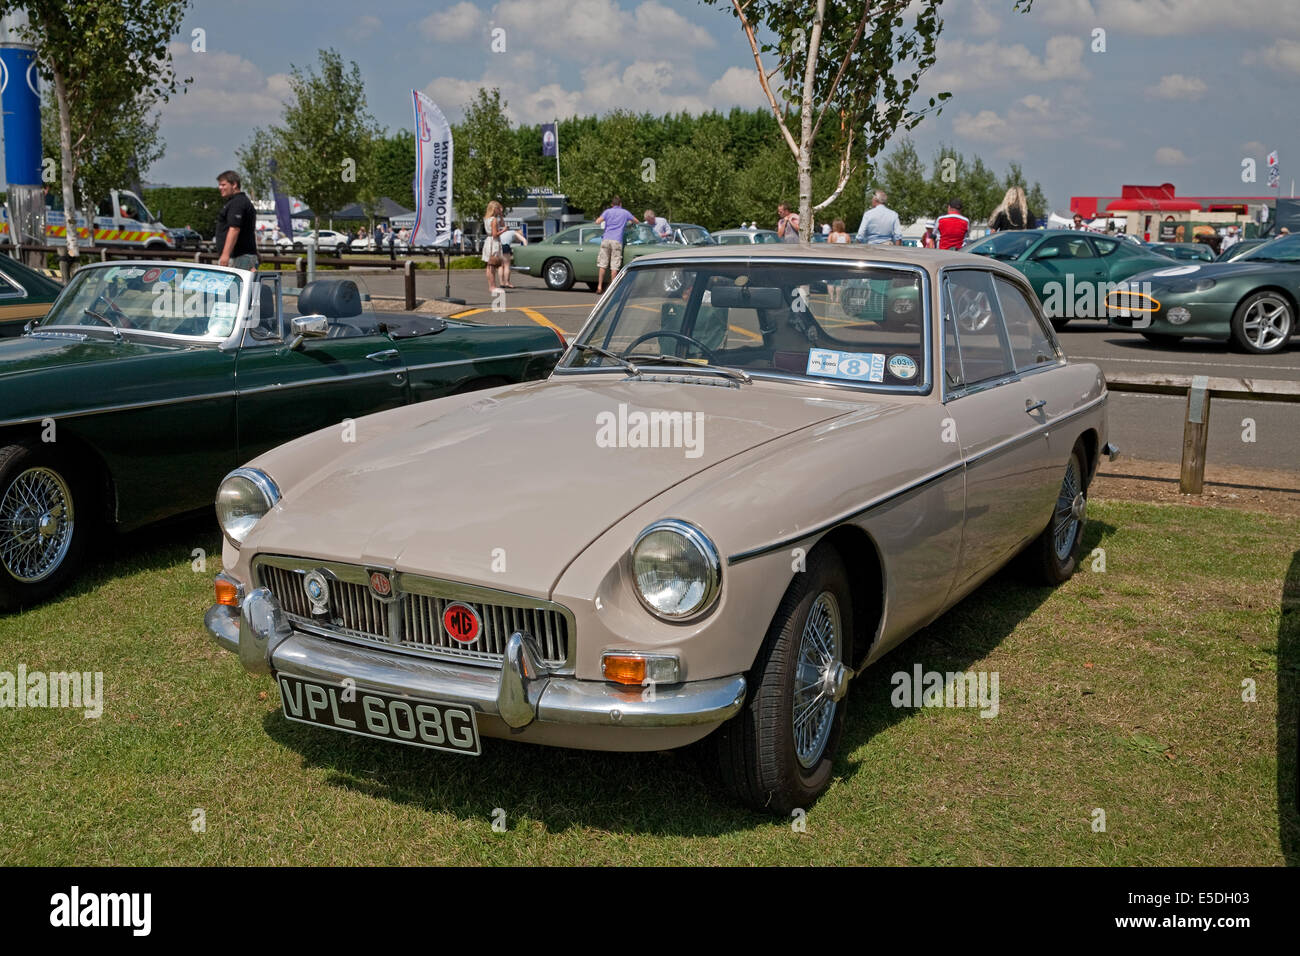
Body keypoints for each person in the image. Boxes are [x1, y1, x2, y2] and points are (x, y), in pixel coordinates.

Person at [215, 170, 259, 269]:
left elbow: (234, 229)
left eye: (223, 185)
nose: (220, 188)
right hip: (243, 256)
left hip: (238, 257)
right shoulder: (239, 201)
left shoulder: (237, 203)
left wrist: (225, 255)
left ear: (234, 184)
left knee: (236, 285)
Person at [595, 196, 638, 293]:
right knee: (614, 266)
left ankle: (599, 286)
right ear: (620, 204)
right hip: (617, 240)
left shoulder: (607, 212)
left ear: (612, 204)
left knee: (602, 264)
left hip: (606, 239)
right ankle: (612, 289)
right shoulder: (625, 213)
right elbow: (636, 221)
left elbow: (597, 221)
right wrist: (628, 222)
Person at [481, 200, 505, 293]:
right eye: (498, 208)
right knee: (492, 265)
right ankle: (492, 286)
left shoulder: (487, 218)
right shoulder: (493, 220)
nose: (500, 210)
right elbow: (495, 234)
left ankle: (491, 286)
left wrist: (501, 215)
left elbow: (502, 224)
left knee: (489, 265)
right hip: (493, 242)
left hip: (488, 241)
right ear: (494, 209)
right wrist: (504, 230)